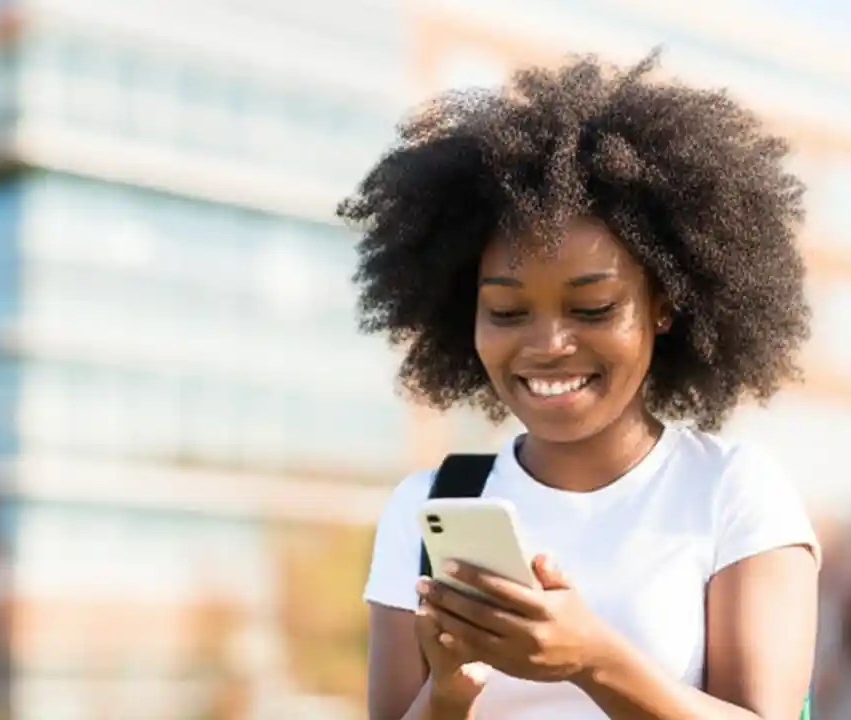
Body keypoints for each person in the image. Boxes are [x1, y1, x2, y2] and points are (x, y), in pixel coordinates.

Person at [338, 51, 820, 720]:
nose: (547, 345)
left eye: (593, 308)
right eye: (507, 312)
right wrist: (448, 691)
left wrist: (594, 661)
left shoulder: (733, 491)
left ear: (665, 304)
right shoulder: (427, 508)